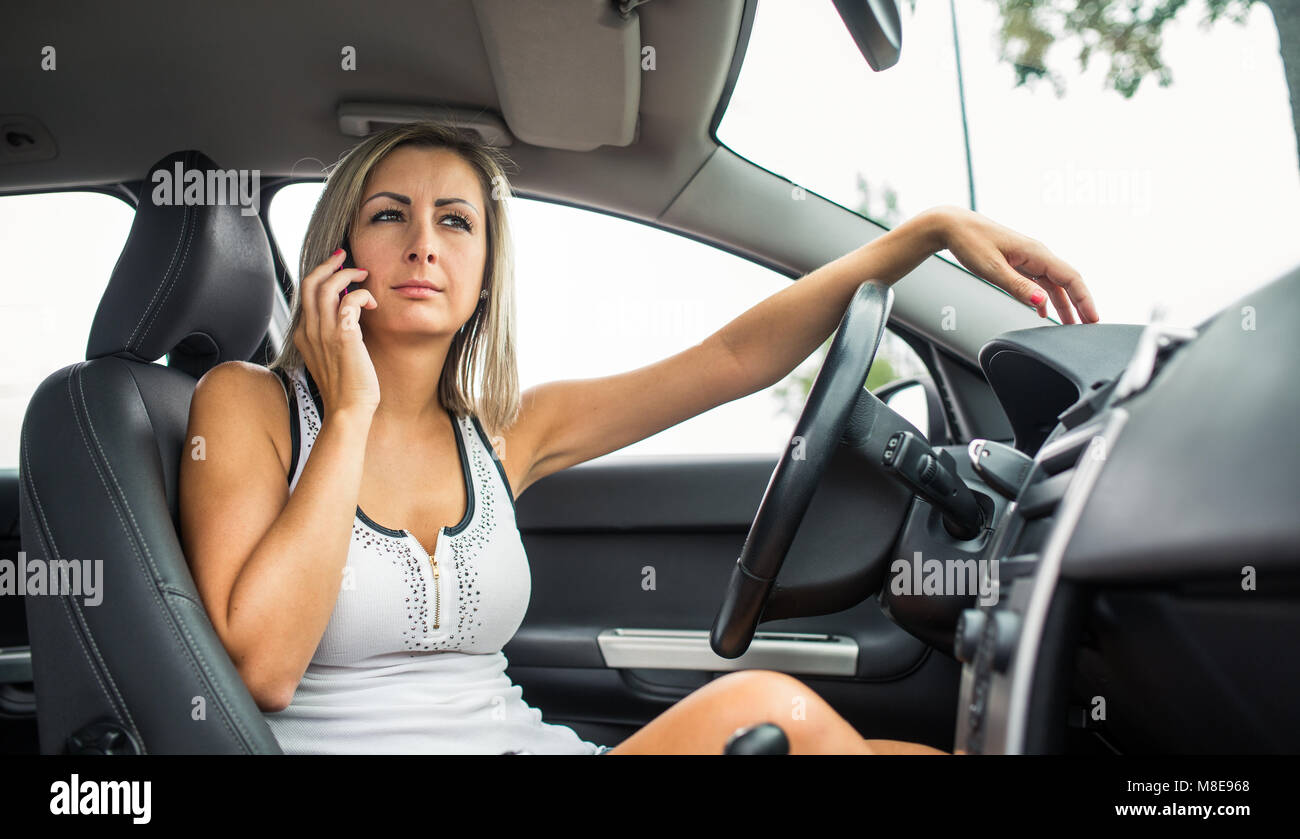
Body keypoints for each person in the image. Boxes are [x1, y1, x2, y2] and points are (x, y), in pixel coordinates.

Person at [177, 121, 1098, 755]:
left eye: (455, 221)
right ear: (338, 253)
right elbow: (261, 670)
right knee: (769, 710)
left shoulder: (506, 430)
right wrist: (349, 415)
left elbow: (734, 356)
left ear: (486, 275)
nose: (425, 245)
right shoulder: (246, 407)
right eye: (390, 215)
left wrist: (923, 236)